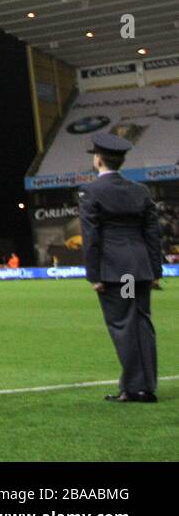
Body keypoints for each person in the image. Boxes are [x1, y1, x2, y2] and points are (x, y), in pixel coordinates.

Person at [79, 132, 163, 403]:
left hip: (118, 272)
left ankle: (136, 388)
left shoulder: (92, 191)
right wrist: (156, 270)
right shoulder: (140, 191)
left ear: (99, 159)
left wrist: (94, 274)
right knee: (141, 323)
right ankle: (142, 384)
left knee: (125, 325)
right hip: (140, 268)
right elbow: (153, 234)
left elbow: (91, 237)